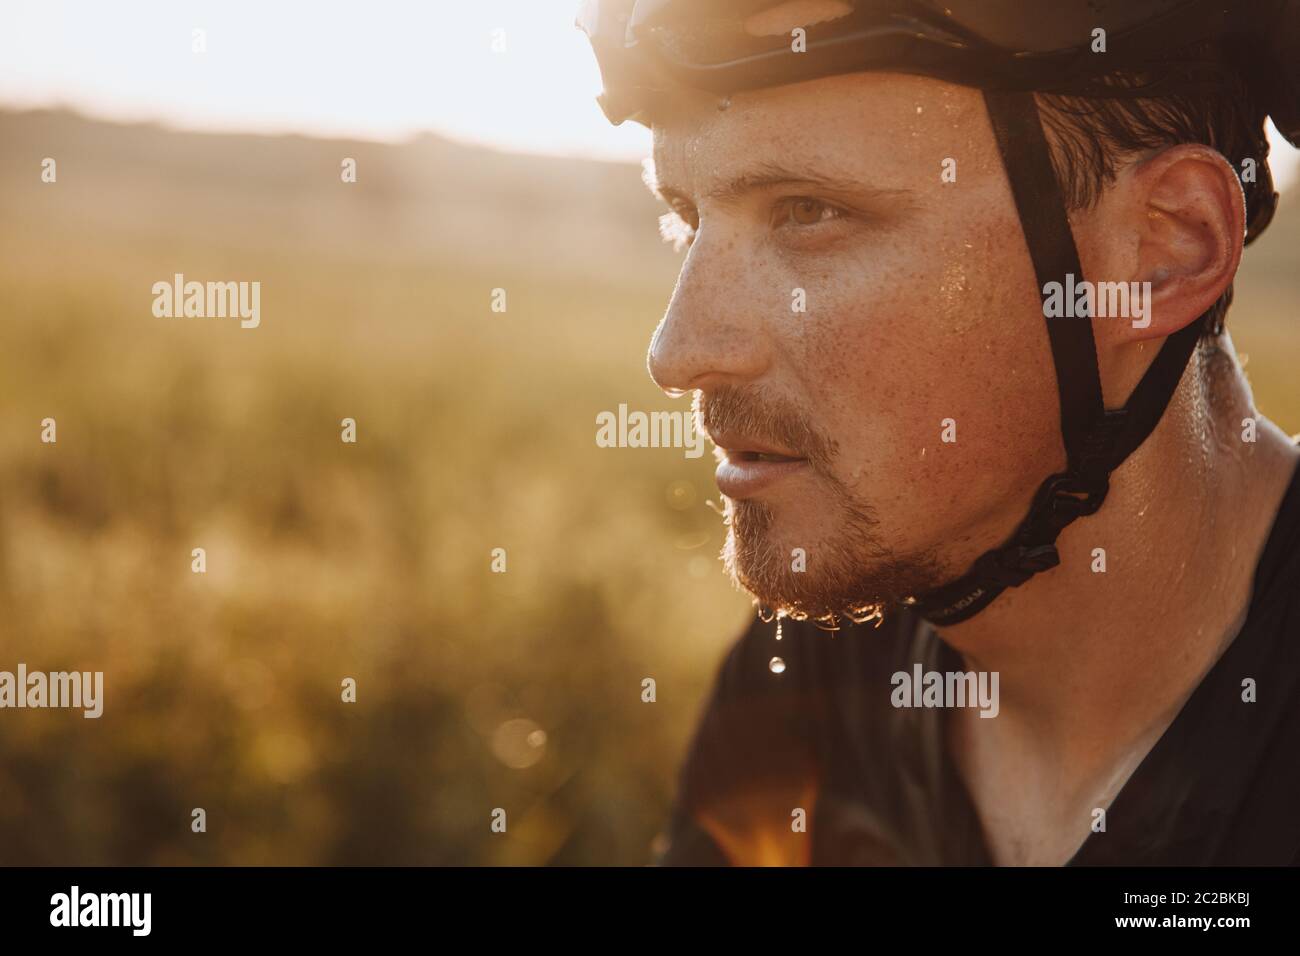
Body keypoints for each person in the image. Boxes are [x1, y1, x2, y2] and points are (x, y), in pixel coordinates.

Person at [579, 0, 1300, 864]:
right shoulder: (809, 683)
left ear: (1165, 251)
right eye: (688, 219)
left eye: (809, 212)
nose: (677, 354)